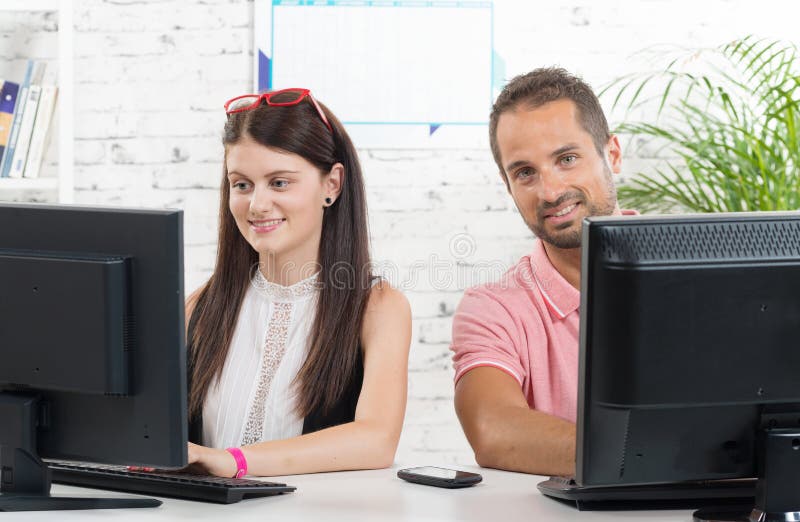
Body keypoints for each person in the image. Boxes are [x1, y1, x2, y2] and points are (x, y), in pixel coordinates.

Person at [183, 88, 411, 478]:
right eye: (242, 184)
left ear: (332, 185)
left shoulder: (378, 307)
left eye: (279, 182)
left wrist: (233, 461)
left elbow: (375, 440)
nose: (256, 204)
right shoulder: (199, 306)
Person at [451, 67, 636, 477]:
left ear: (613, 154)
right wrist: (660, 456)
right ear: (507, 183)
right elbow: (493, 429)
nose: (550, 192)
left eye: (567, 159)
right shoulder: (493, 309)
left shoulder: (698, 272)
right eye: (525, 173)